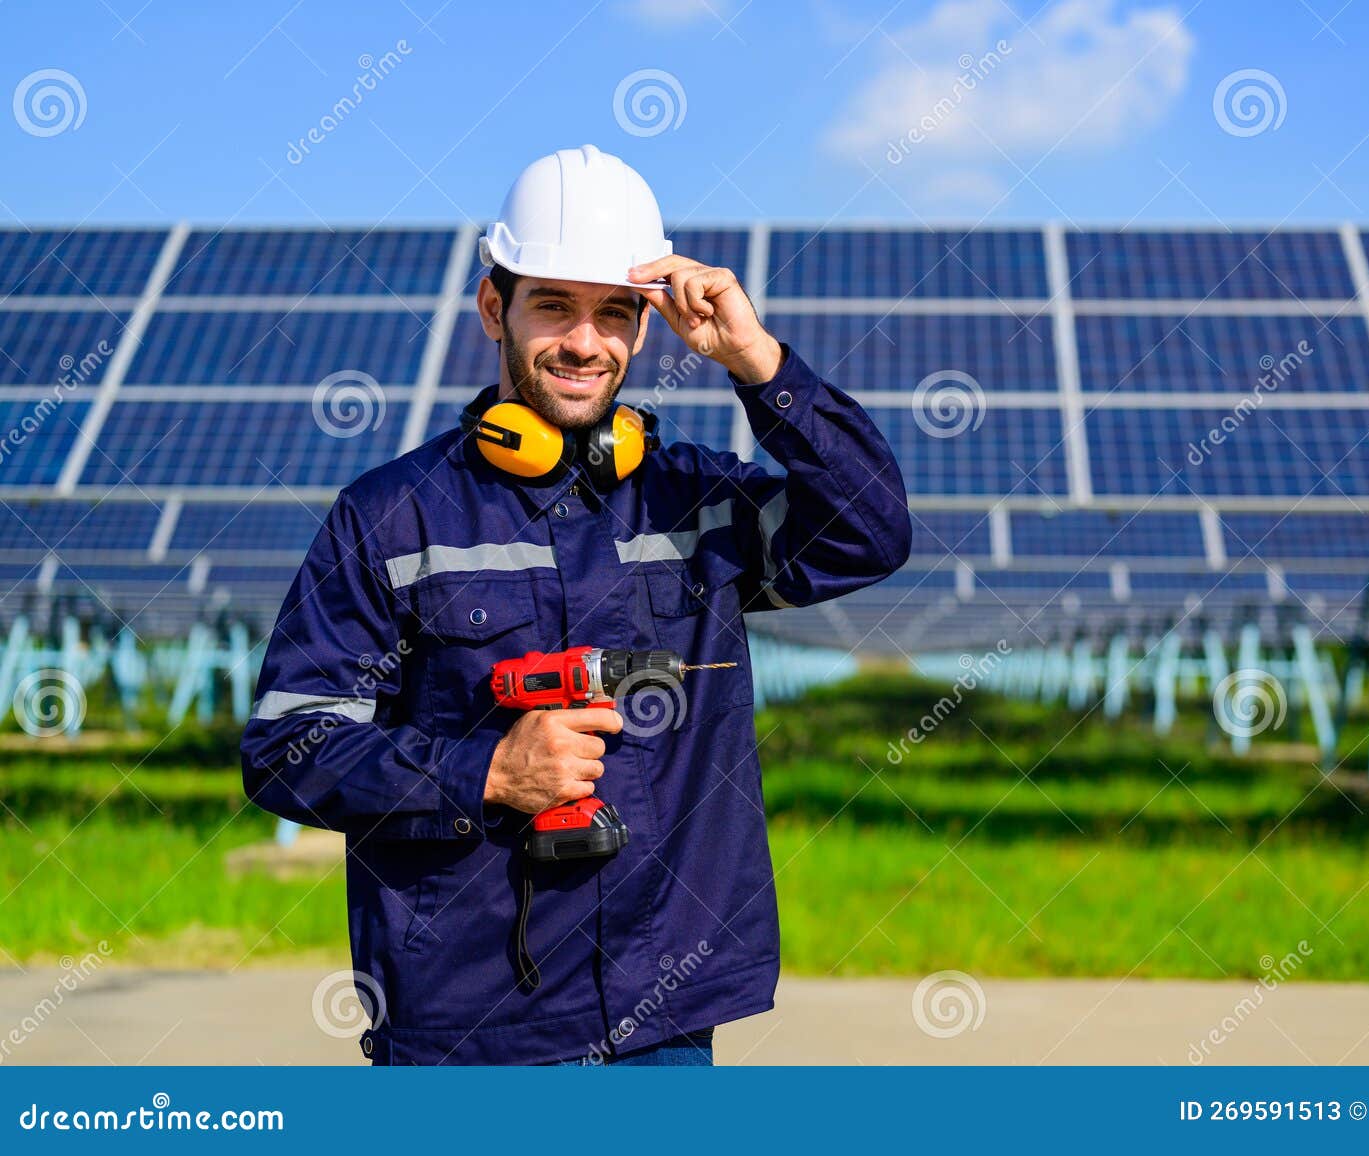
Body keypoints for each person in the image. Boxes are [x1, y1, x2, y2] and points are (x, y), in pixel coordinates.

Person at [240, 144, 912, 1065]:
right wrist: (482, 772)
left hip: (664, 1020)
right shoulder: (393, 518)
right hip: (466, 1029)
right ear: (494, 309)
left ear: (644, 332)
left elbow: (869, 532)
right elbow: (288, 747)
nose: (584, 342)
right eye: (552, 304)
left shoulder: (697, 504)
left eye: (613, 314)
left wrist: (761, 363)